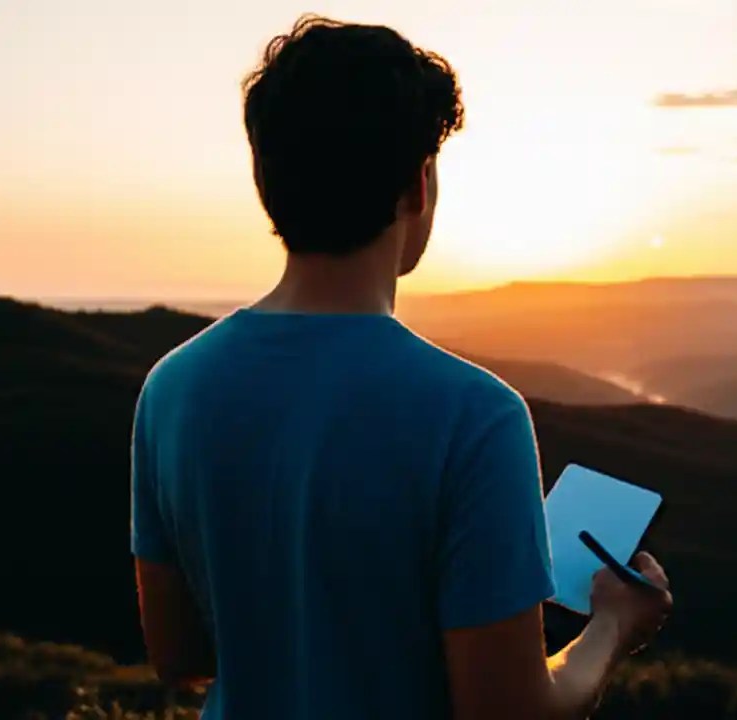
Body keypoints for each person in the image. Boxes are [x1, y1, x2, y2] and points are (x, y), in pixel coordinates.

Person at [129, 15, 673, 720]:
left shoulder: (173, 387)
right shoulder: (476, 416)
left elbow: (181, 659)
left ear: (269, 181)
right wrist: (613, 626)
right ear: (419, 185)